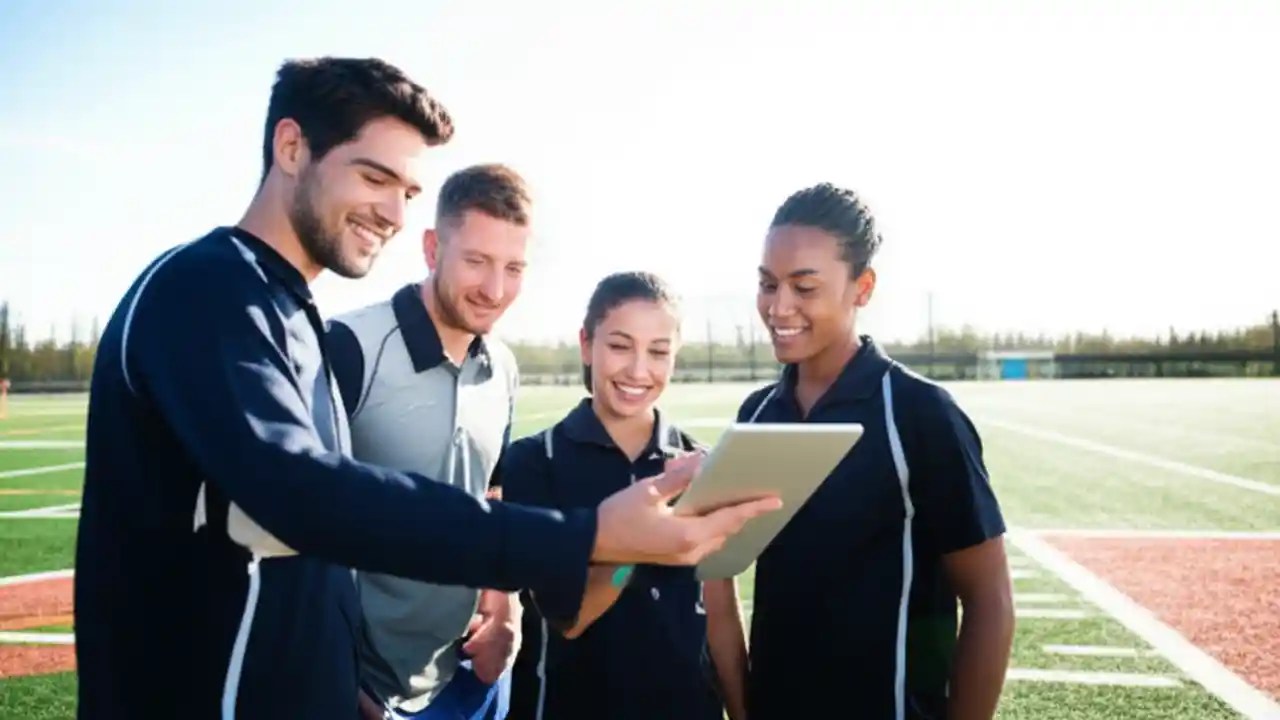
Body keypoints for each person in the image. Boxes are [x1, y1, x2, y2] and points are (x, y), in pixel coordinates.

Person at [72, 56, 780, 720]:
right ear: (292, 149)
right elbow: (307, 498)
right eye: (374, 178)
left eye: (407, 191)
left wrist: (495, 605)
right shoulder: (209, 288)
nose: (393, 212)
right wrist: (588, 536)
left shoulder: (292, 314)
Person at [739, 183, 1015, 720]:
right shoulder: (755, 415)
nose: (779, 306)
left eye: (804, 287)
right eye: (768, 284)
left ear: (862, 288)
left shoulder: (920, 414)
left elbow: (990, 601)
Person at [326, 163, 535, 720]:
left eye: (513, 267)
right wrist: (340, 682)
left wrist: (505, 604)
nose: (495, 290)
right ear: (430, 248)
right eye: (477, 261)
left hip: (469, 679)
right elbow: (296, 531)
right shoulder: (349, 348)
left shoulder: (505, 367)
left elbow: (491, 494)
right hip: (362, 689)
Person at [502, 272, 751, 720]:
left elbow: (720, 615)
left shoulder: (701, 464)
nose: (639, 371)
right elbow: (570, 619)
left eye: (658, 352)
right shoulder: (534, 462)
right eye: (619, 346)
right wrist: (638, 545)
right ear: (586, 344)